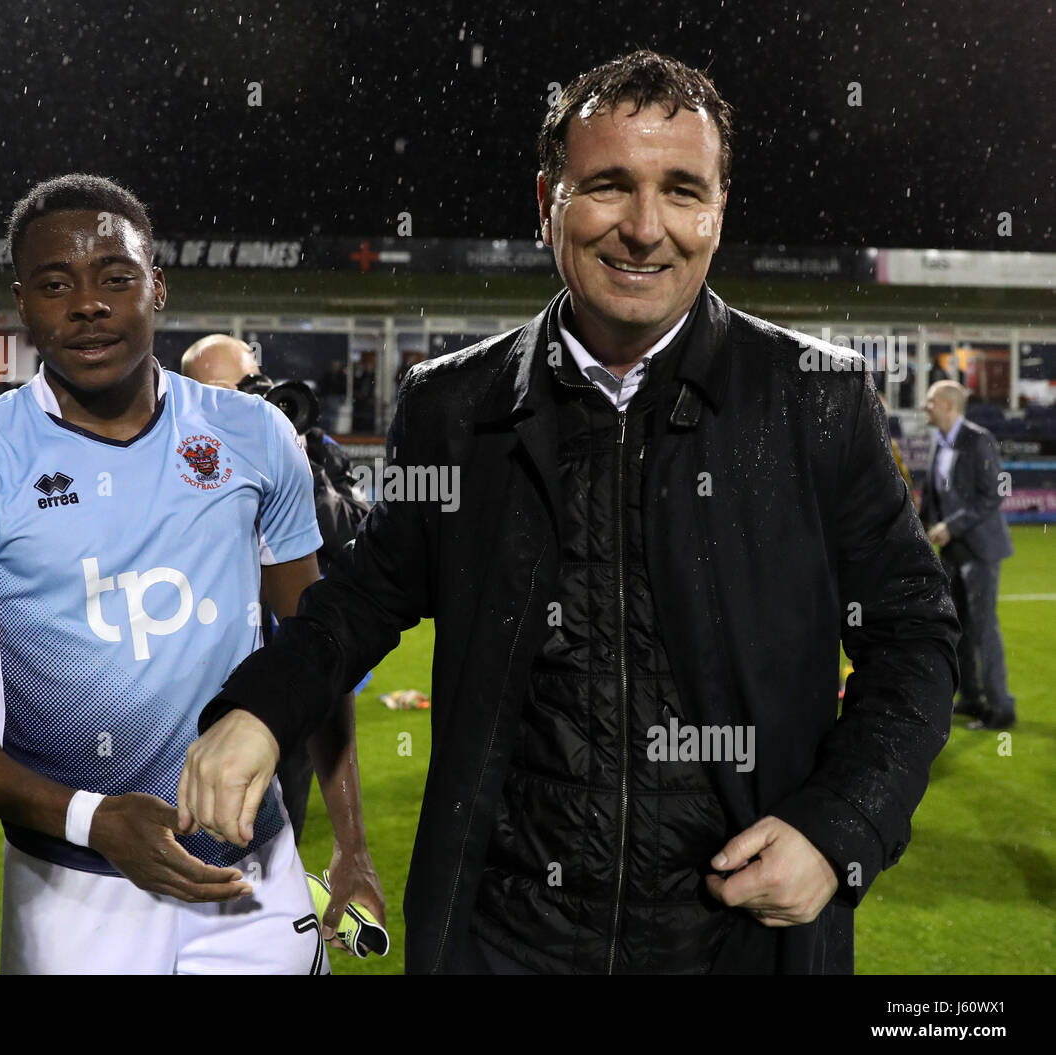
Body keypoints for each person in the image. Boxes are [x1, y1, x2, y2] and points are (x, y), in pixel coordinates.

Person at [177, 51, 960, 975]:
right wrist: (258, 710)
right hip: (506, 942)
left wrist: (838, 827)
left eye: (681, 190)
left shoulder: (816, 400)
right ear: (547, 199)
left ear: (718, 209)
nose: (643, 228)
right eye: (607, 187)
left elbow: (914, 638)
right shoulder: (453, 408)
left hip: (739, 940)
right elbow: (360, 599)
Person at [0, 173, 383, 974]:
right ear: (22, 302)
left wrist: (351, 841)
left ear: (156, 286)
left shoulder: (254, 436)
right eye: (55, 284)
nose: (86, 303)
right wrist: (91, 818)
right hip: (73, 895)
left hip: (257, 882)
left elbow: (315, 647)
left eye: (116, 277)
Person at [181, 334, 374, 846]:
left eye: (252, 386)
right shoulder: (181, 461)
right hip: (205, 681)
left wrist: (297, 459)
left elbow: (353, 529)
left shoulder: (312, 444)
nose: (248, 402)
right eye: (227, 392)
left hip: (295, 668)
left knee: (280, 830)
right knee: (203, 832)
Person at [921, 380, 1016, 730]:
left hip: (980, 549)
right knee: (957, 627)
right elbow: (932, 498)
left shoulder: (979, 439)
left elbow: (992, 496)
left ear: (948, 405)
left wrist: (951, 525)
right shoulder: (938, 441)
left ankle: (1002, 707)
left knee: (983, 627)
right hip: (952, 551)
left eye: (930, 401)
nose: (924, 406)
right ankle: (972, 698)